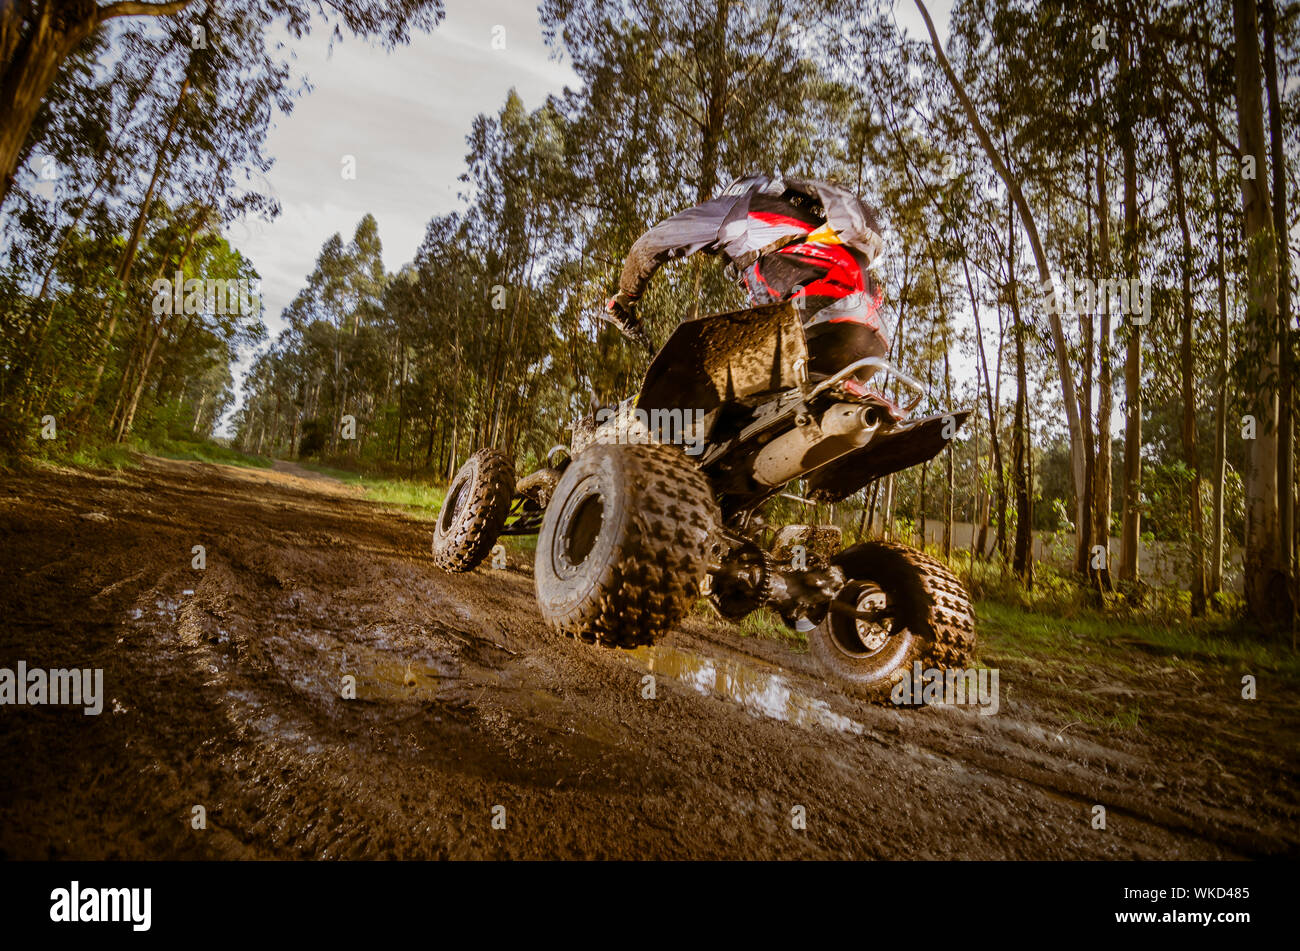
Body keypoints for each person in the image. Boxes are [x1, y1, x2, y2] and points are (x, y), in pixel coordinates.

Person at [604, 173, 889, 379]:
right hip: (868, 339)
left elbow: (650, 244)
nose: (733, 270)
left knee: (700, 364)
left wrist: (626, 297)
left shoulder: (738, 209)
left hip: (810, 324)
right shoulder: (817, 225)